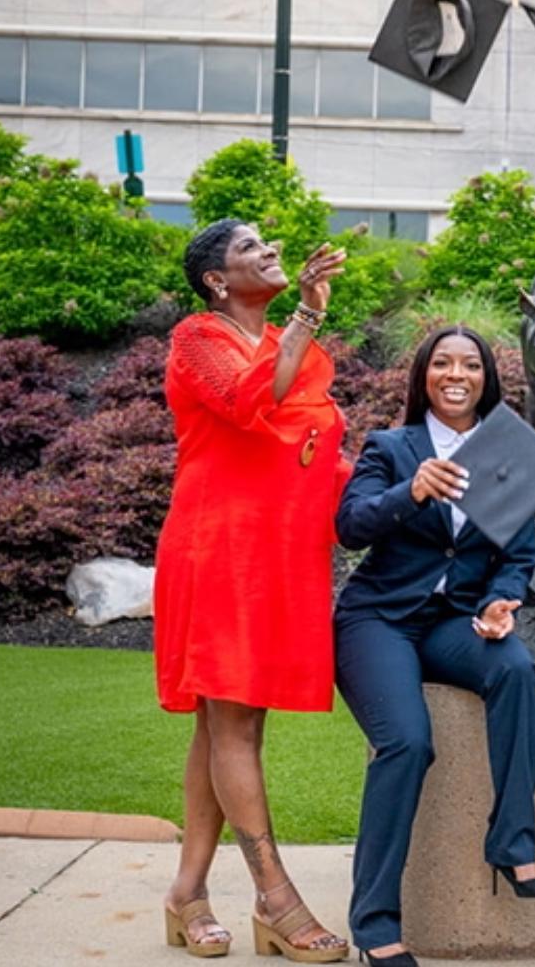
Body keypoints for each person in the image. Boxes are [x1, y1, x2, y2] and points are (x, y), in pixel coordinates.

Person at [154, 219, 353, 962]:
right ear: (216, 279)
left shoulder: (288, 348)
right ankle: (277, 900)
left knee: (224, 726)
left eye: (269, 244)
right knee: (233, 725)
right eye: (251, 248)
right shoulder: (198, 338)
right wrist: (306, 311)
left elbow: (321, 451)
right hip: (218, 551)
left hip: (277, 556)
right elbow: (245, 403)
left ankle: (186, 895)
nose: (270, 251)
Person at [332, 327, 535, 967]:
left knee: (514, 668)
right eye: (442, 363)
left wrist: (498, 602)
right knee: (407, 742)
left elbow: (518, 555)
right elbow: (349, 526)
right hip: (378, 620)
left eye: (471, 365)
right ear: (423, 376)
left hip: (454, 622)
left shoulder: (506, 454)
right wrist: (413, 492)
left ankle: (513, 843)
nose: (457, 374)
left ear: (486, 377)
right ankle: (375, 922)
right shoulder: (392, 447)